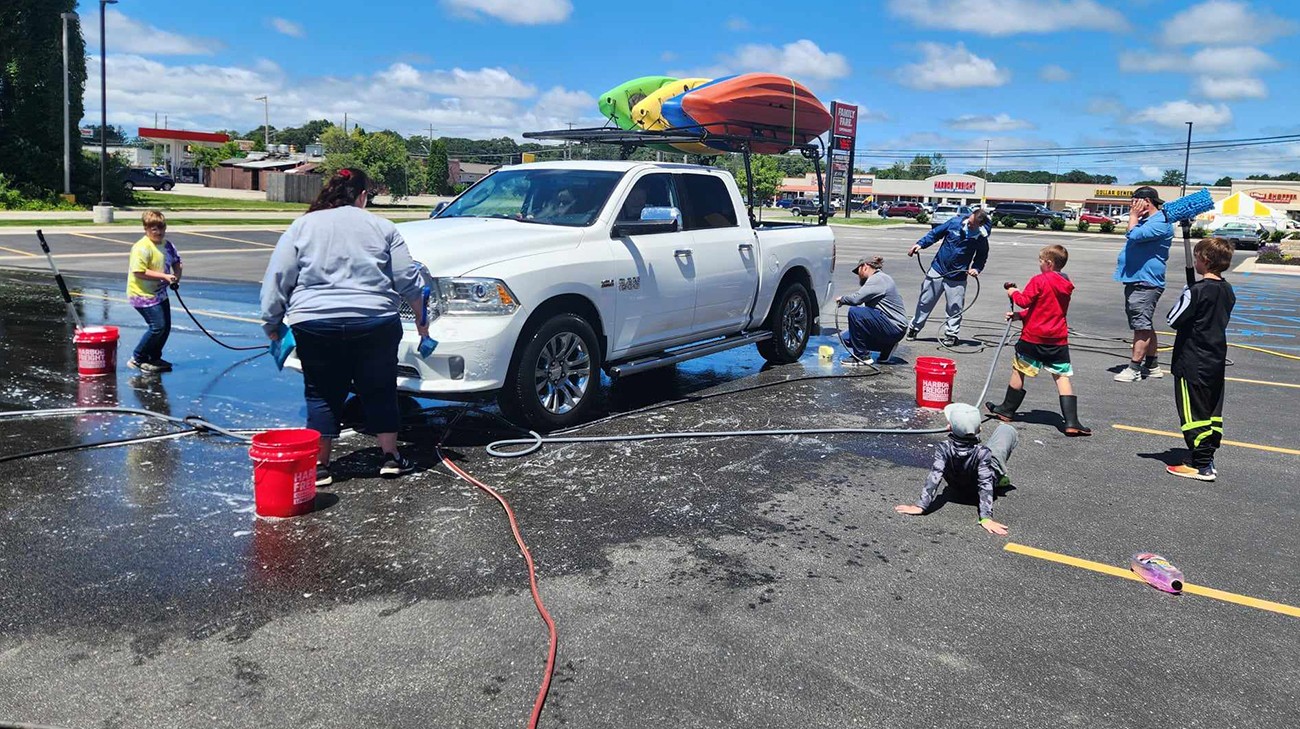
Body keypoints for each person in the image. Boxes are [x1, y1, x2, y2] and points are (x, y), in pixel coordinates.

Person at [260, 168, 431, 486]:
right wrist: (423, 323)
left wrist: (272, 322)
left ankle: (320, 466)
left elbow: (278, 277)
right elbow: (407, 281)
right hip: (375, 321)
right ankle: (391, 457)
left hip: (314, 322)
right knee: (380, 388)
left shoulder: (302, 226)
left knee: (321, 393)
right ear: (363, 196)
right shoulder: (383, 227)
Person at [986, 245, 1091, 436]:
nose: (1039, 264)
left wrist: (1013, 292)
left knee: (1019, 370)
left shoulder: (1039, 280)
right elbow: (1046, 308)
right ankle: (1072, 421)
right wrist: (1020, 316)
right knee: (1062, 376)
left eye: (1041, 261)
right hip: (1057, 339)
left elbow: (1024, 301)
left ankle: (1007, 409)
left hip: (1033, 338)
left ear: (1049, 263)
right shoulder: (1066, 284)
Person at [1164, 237, 1236, 481]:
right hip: (1215, 358)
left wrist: (1188, 294)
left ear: (1205, 260)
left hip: (1192, 360)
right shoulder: (1227, 289)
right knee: (1211, 411)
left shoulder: (1196, 291)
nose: (1194, 262)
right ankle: (1206, 457)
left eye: (1196, 258)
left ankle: (1202, 465)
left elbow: (1173, 319)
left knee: (1193, 413)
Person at [894, 403, 1016, 536]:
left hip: (957, 488)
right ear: (980, 429)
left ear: (949, 427)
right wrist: (986, 517)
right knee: (1005, 430)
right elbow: (985, 483)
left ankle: (997, 477)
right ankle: (999, 477)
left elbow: (935, 476)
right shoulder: (983, 453)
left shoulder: (944, 448)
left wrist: (921, 506)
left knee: (985, 455)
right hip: (977, 490)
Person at [905, 209, 991, 347]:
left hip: (958, 276)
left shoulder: (981, 237)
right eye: (969, 221)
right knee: (925, 301)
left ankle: (951, 334)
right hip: (938, 269)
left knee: (955, 307)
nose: (968, 225)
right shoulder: (954, 223)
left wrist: (976, 268)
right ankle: (914, 328)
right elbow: (935, 234)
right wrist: (920, 244)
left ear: (980, 225)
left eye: (972, 224)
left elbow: (981, 256)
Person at [1114, 186, 1174, 382]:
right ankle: (1152, 365)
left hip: (1146, 282)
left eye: (1134, 202)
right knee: (1144, 324)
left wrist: (1133, 216)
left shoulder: (1160, 221)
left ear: (1146, 202)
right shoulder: (1148, 221)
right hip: (1137, 279)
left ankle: (1134, 369)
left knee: (1141, 327)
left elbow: (1134, 235)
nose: (1132, 206)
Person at [126, 210, 182, 373]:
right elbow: (139, 271)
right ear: (146, 229)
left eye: (161, 228)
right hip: (141, 294)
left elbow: (177, 262)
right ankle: (137, 358)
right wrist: (164, 276)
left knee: (165, 328)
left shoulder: (167, 245)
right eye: (154, 229)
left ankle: (153, 357)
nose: (158, 232)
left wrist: (176, 276)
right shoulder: (141, 247)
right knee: (157, 326)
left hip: (160, 294)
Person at [835, 256, 907, 366]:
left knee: (855, 312)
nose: (858, 275)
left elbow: (856, 299)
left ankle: (862, 357)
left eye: (858, 271)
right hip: (891, 327)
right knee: (846, 338)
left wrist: (843, 299)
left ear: (865, 266)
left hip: (894, 326)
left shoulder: (878, 278)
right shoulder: (880, 279)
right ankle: (886, 346)